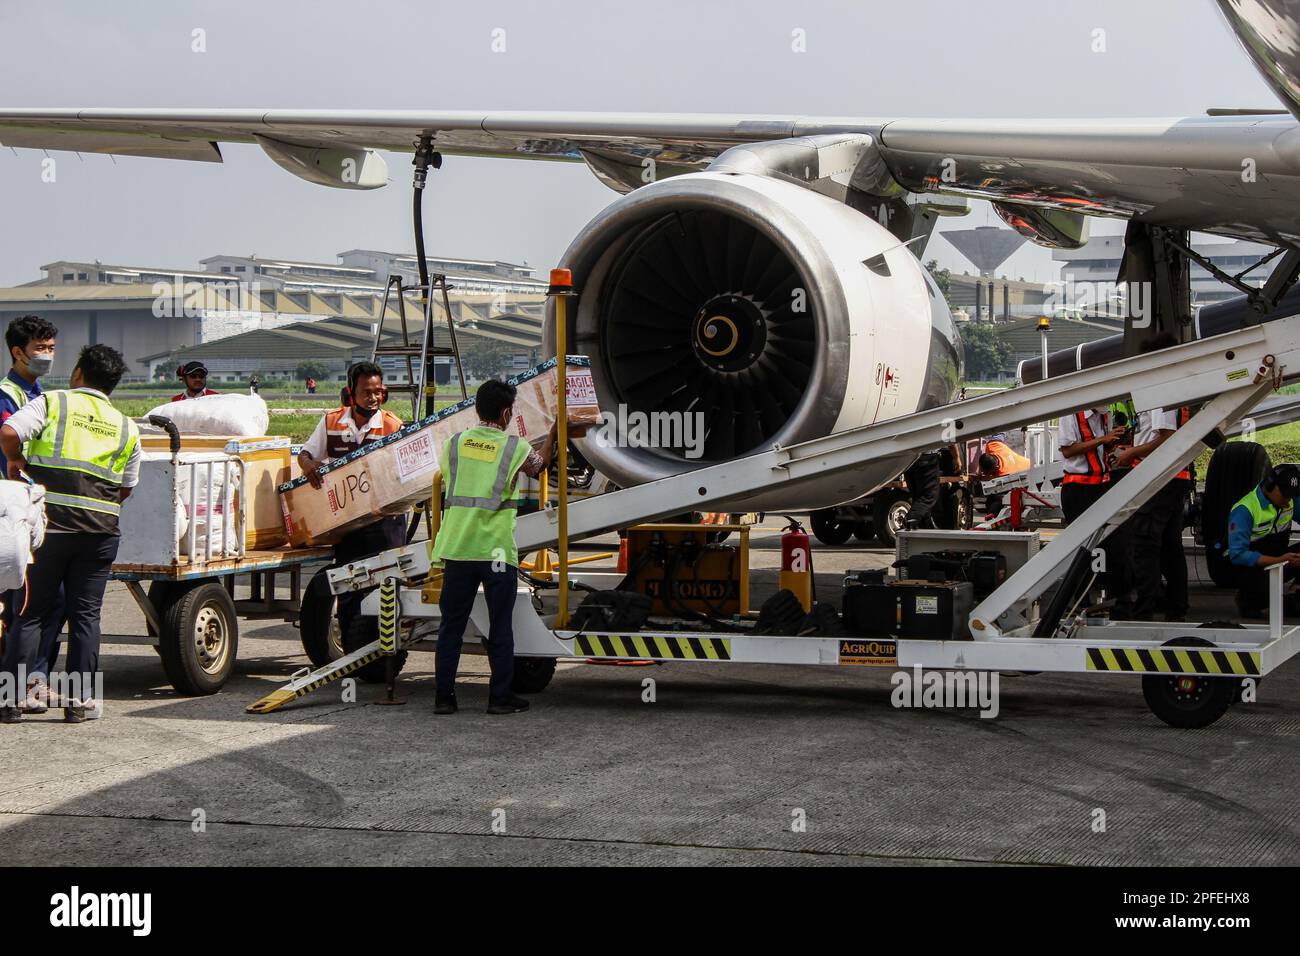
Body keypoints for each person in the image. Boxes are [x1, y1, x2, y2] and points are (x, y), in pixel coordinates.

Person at [0, 345, 140, 723]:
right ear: (112, 384)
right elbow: (127, 486)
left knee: (30, 612)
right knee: (85, 616)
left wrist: (15, 460)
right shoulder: (128, 427)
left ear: (78, 373)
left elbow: (9, 431)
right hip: (100, 532)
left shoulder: (53, 403)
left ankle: (10, 700)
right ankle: (80, 703)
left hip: (50, 529)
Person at [429, 379, 559, 715]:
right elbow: (539, 465)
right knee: (500, 625)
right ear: (505, 413)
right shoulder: (513, 447)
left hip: (457, 548)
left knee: (451, 626)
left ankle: (444, 698)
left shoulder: (454, 445)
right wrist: (555, 434)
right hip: (496, 552)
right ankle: (499, 697)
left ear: (478, 410)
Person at [297, 362, 405, 639]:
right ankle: (351, 650)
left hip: (385, 525)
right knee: (349, 587)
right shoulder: (331, 422)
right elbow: (306, 453)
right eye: (366, 392)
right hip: (348, 525)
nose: (373, 397)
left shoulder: (393, 425)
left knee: (385, 587)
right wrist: (308, 466)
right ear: (350, 392)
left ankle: (384, 655)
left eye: (378, 392)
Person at [0, 315, 66, 688]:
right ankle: (27, 678)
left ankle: (29, 675)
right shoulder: (6, 397)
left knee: (39, 601)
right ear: (17, 352)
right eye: (40, 349)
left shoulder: (40, 394)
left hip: (32, 509)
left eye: (51, 348)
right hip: (12, 511)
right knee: (34, 601)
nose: (47, 355)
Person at [1113, 405, 1194, 621]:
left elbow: (1166, 437)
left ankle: (1143, 611)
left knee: (1145, 546)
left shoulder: (1159, 397)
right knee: (1169, 548)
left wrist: (1132, 452)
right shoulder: (1165, 395)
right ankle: (1176, 608)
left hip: (1159, 479)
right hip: (1171, 477)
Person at [1225, 465, 1300, 619]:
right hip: (1250, 567)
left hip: (1279, 557)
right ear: (1270, 485)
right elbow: (1238, 555)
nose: (1288, 501)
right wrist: (1280, 561)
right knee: (1259, 594)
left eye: (1291, 496)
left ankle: (1295, 595)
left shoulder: (1291, 501)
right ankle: (1248, 600)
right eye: (1285, 495)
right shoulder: (1245, 510)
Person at [1057, 406, 1124, 524]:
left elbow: (1102, 447)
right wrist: (1102, 439)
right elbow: (1067, 451)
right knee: (1080, 537)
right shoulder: (1070, 413)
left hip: (1101, 485)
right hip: (1078, 489)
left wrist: (1113, 440)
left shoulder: (1104, 412)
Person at [903, 444, 963, 530]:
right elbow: (949, 436)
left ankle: (924, 527)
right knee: (929, 495)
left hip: (908, 459)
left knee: (918, 497)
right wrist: (956, 457)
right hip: (926, 457)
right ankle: (911, 518)